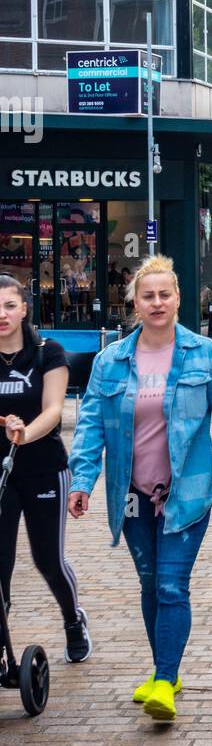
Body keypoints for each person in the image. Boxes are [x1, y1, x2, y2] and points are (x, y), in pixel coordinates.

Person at [68, 256, 212, 722]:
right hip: (131, 493)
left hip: (186, 493)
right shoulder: (110, 361)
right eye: (147, 296)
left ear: (178, 298)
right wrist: (82, 480)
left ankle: (163, 678)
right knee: (151, 584)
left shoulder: (204, 355)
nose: (157, 303)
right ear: (135, 303)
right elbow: (91, 424)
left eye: (165, 294)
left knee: (173, 586)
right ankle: (166, 672)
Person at [0, 275, 91, 663]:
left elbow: (54, 411)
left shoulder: (46, 352)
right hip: (1, 475)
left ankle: (73, 620)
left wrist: (22, 435)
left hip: (44, 469)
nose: (1, 314)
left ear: (24, 309)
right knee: (0, 564)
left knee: (47, 559)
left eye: (8, 305)